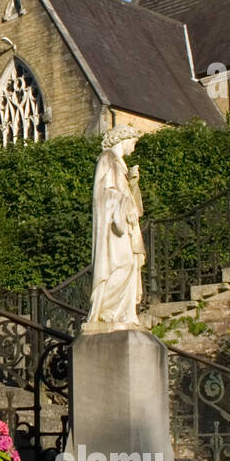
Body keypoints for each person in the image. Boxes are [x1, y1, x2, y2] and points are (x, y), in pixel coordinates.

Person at [84, 125, 145, 330]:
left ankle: (125, 313)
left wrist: (133, 184)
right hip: (113, 228)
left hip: (124, 225)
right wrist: (122, 201)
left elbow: (133, 203)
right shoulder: (107, 159)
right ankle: (109, 311)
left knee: (130, 265)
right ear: (123, 139)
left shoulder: (121, 164)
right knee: (122, 265)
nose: (133, 148)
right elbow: (102, 195)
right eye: (133, 143)